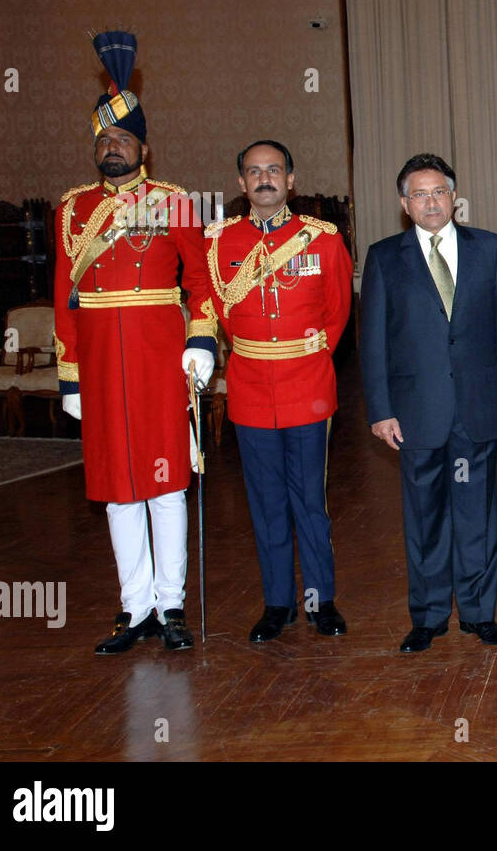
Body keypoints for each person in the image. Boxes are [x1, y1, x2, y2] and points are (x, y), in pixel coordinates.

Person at [54, 31, 217, 654]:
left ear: (143, 147)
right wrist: (70, 375)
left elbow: (202, 282)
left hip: (158, 365)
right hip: (98, 369)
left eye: (122, 139)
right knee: (119, 494)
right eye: (103, 140)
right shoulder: (72, 210)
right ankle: (135, 609)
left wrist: (200, 344)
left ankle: (172, 606)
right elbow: (64, 296)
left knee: (167, 485)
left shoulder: (173, 203)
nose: (111, 149)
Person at [361, 154, 497, 653]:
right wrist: (380, 409)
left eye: (439, 192)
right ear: (404, 205)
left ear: (454, 197)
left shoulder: (488, 248)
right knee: (425, 517)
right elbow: (373, 342)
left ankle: (479, 614)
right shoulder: (385, 256)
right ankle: (428, 617)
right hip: (415, 411)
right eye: (419, 194)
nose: (430, 202)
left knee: (478, 514)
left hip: (476, 404)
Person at [202, 140, 353, 642]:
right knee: (265, 501)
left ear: (290, 180)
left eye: (273, 170)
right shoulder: (219, 242)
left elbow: (337, 310)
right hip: (249, 389)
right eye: (253, 171)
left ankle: (320, 599)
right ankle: (278, 604)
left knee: (309, 499)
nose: (264, 178)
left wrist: (309, 353)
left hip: (307, 387)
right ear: (242, 185)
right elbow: (219, 312)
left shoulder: (323, 239)